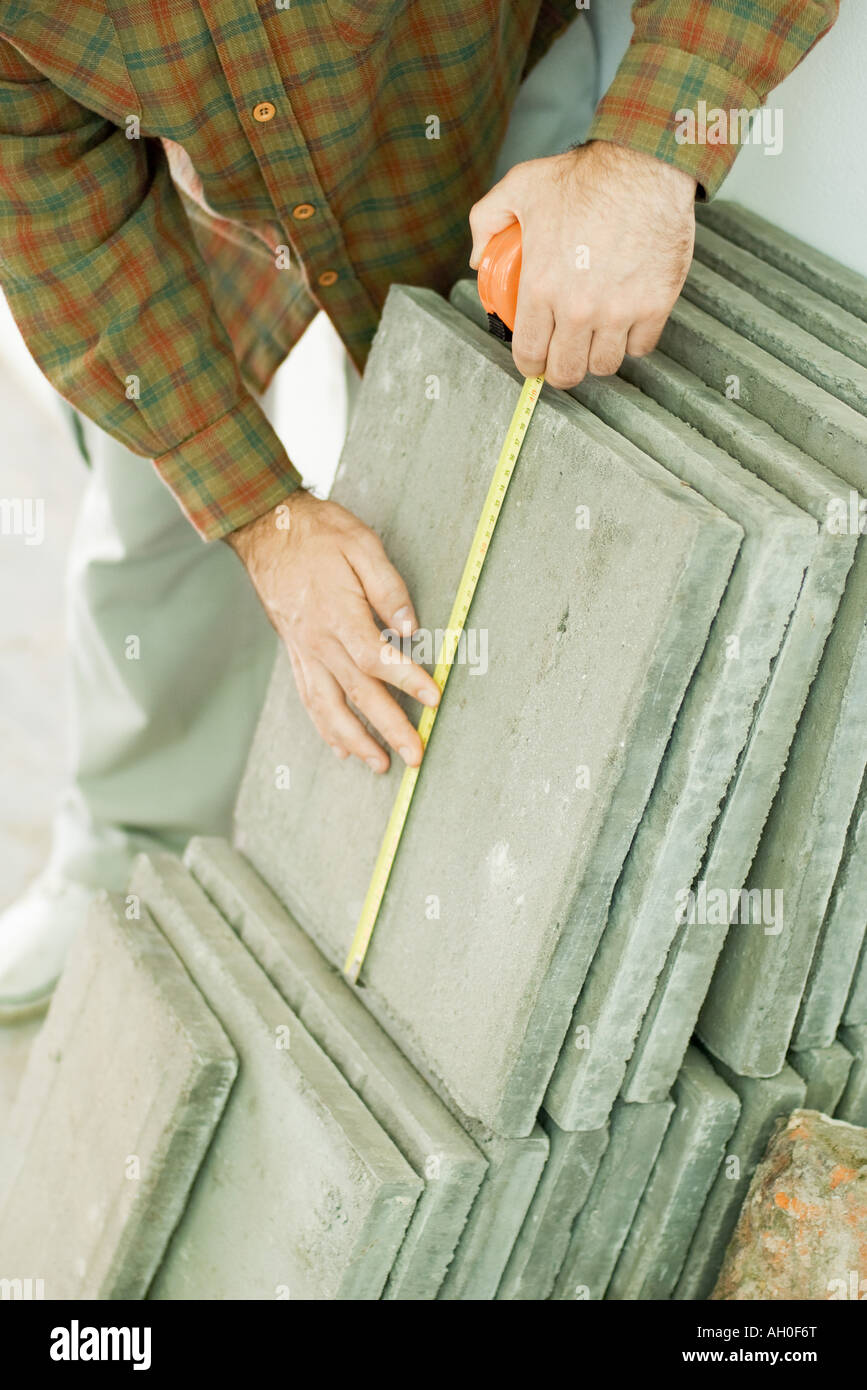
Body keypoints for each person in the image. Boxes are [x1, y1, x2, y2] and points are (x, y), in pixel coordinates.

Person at [0, 1, 838, 1015]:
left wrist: (643, 154)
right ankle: (121, 868)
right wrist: (258, 513)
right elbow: (58, 222)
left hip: (480, 125)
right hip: (206, 197)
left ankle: (489, 916)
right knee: (156, 532)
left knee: (511, 507)